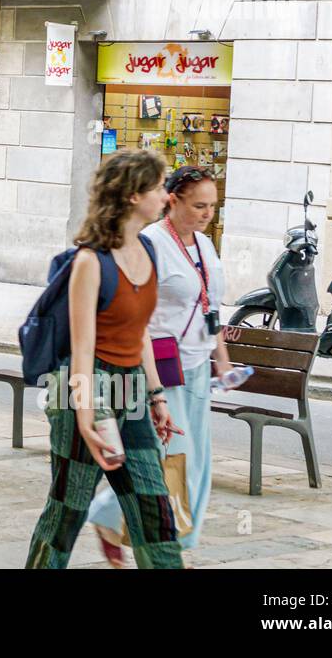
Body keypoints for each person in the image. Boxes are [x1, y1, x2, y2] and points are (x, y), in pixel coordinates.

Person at [25, 150, 184, 570]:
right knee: (68, 509)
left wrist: (157, 397)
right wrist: (84, 416)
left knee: (154, 510)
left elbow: (141, 333)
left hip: (130, 386)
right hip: (86, 387)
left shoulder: (148, 248)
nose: (165, 196)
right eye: (158, 187)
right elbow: (81, 348)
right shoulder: (89, 262)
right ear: (133, 195)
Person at [88, 165, 228, 565]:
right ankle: (143, 532)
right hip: (164, 367)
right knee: (171, 458)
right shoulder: (151, 242)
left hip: (198, 364)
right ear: (173, 200)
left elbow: (211, 305)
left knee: (197, 462)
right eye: (199, 205)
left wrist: (223, 359)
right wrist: (151, 386)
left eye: (213, 206)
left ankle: (168, 535)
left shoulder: (204, 245)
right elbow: (138, 315)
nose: (206, 214)